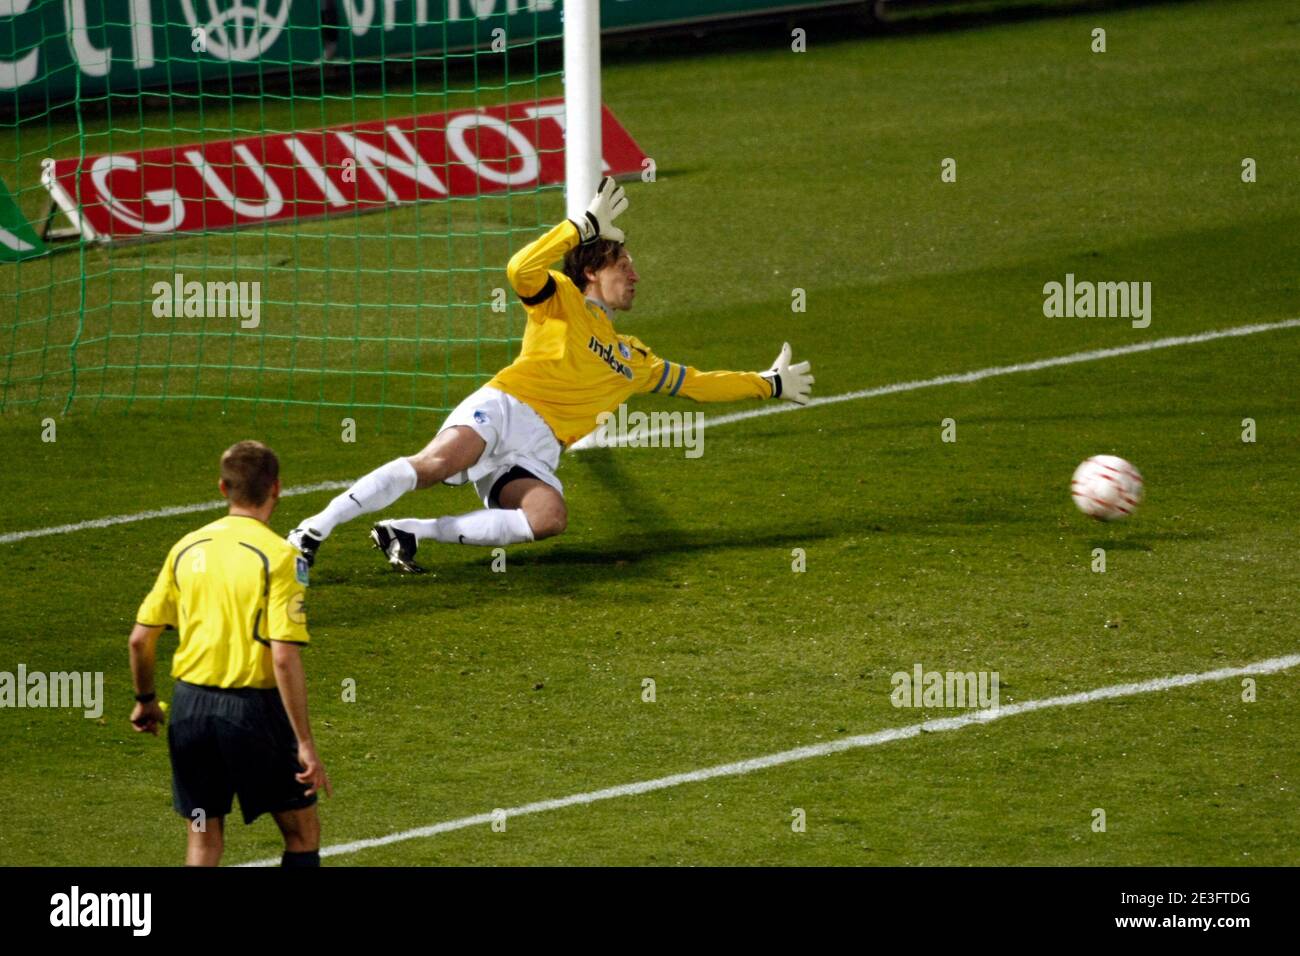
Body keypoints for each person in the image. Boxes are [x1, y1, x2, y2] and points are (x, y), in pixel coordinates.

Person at [287, 177, 814, 573]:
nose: (634, 274)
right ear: (590, 272)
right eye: (622, 264)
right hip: (506, 406)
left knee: (549, 519)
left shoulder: (636, 358)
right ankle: (313, 531)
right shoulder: (560, 298)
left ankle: (408, 531)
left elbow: (698, 383)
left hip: (537, 451)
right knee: (435, 465)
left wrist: (767, 383)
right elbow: (519, 270)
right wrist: (578, 228)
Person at [128, 440, 330, 866]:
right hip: (253, 714)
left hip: (189, 711)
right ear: (277, 488)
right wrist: (306, 743)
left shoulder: (186, 547)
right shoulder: (280, 557)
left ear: (223, 487)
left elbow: (140, 640)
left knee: (203, 839)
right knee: (301, 832)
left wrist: (146, 700)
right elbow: (282, 657)